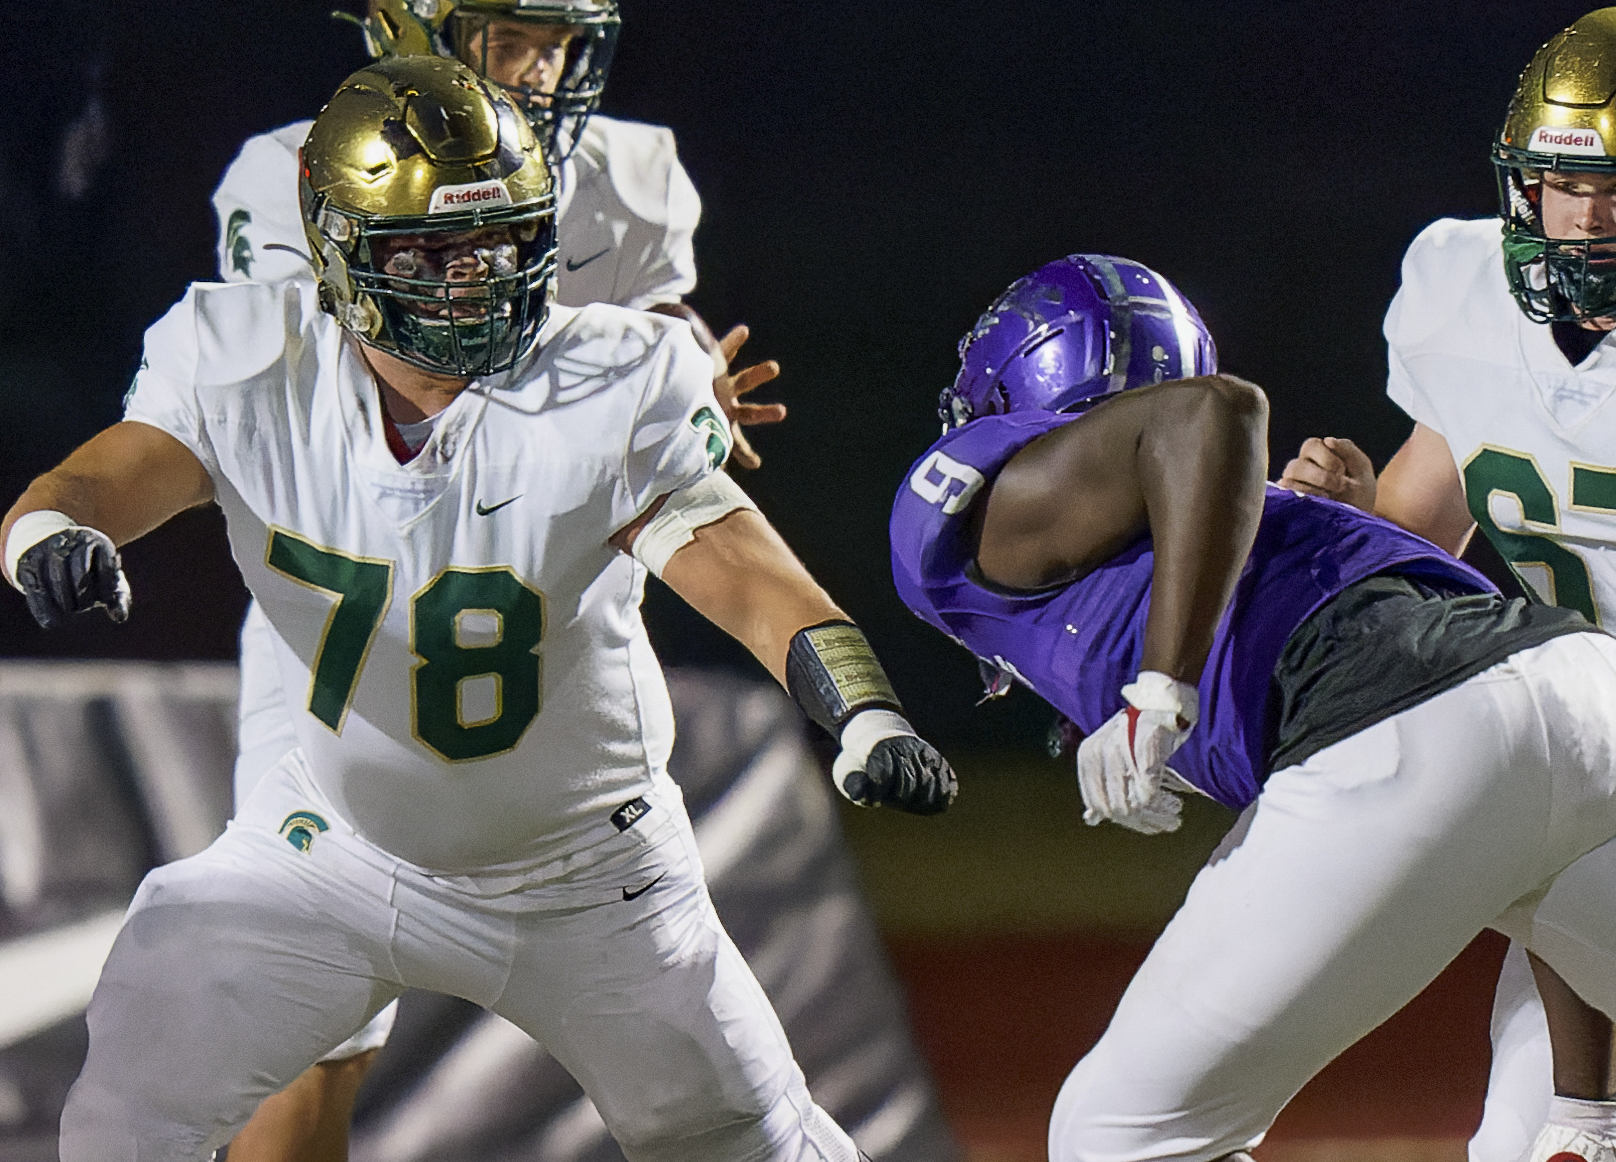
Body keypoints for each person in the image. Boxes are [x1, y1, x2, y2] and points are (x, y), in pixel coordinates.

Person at [0, 56, 954, 1162]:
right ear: (341, 250)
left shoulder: (606, 379)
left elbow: (744, 574)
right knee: (130, 1099)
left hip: (588, 872)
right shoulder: (249, 362)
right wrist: (51, 536)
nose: (470, 280)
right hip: (337, 847)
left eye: (495, 243)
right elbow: (90, 482)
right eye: (429, 250)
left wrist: (866, 711)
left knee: (745, 1140)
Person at [210, 4, 787, 1155]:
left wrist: (679, 380)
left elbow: (647, 357)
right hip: (346, 640)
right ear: (408, 25)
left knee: (675, 1028)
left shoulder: (630, 173)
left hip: (554, 644)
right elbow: (316, 401)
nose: (543, 67)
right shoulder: (290, 175)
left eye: (560, 41)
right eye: (512, 35)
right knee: (308, 1026)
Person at [889, 253, 1616, 1162]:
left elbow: (1215, 410)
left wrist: (1160, 687)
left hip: (1410, 733)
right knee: (1538, 1133)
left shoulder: (974, 507)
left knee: (1118, 1135)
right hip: (1580, 689)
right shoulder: (1264, 516)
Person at [1276, 9, 1616, 1159]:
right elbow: (1423, 525)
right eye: (1564, 185)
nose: (1588, 219)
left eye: (1614, 188)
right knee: (1529, 1139)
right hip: (1588, 776)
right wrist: (1353, 511)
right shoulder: (1462, 289)